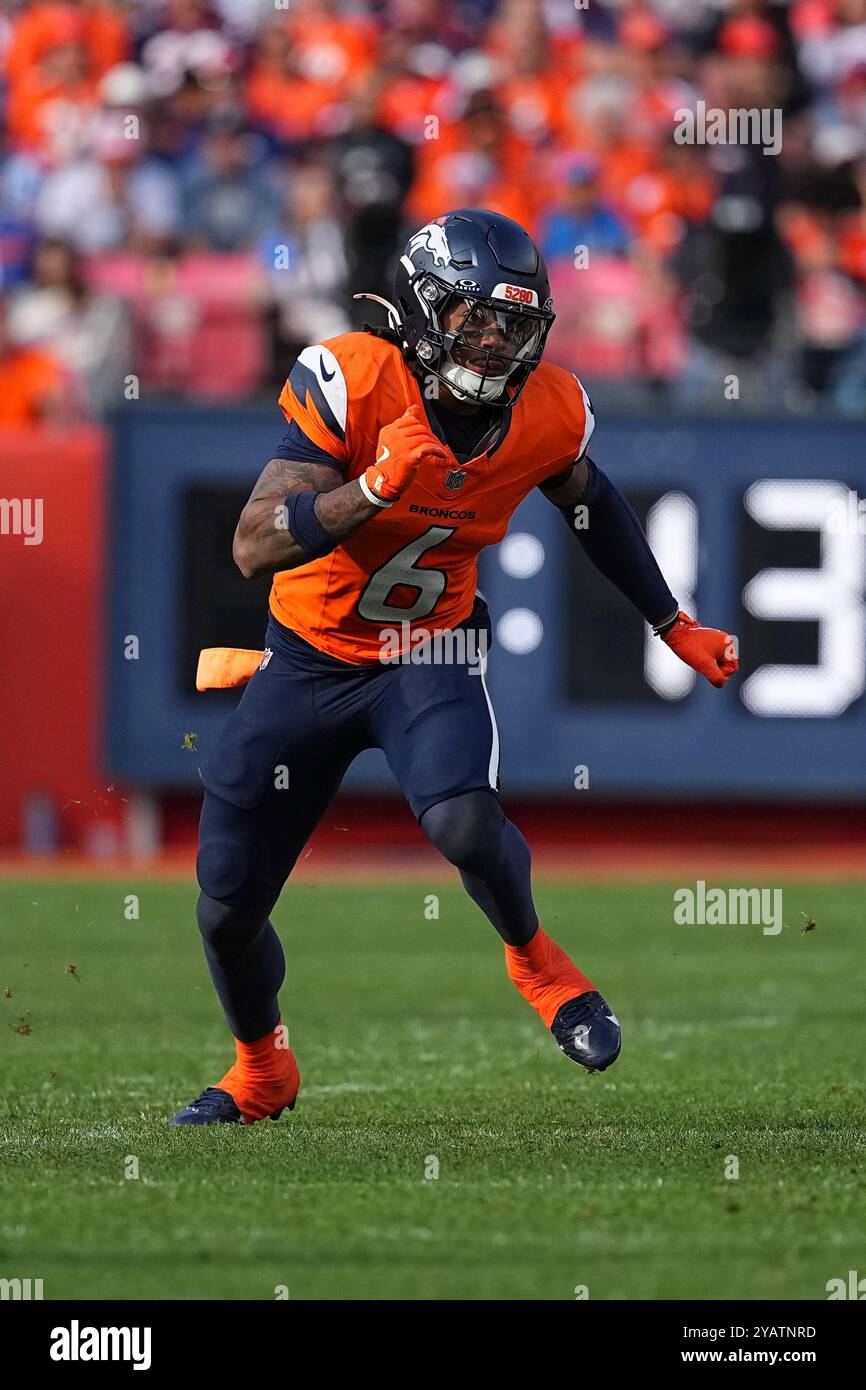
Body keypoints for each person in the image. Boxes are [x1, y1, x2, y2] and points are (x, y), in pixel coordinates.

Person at [172, 208, 738, 1126]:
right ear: (424, 307)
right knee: (226, 907)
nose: (497, 342)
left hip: (427, 648)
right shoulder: (353, 378)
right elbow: (250, 545)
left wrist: (672, 623)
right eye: (478, 319)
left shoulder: (546, 408)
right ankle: (261, 1069)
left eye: (516, 324)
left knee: (467, 822)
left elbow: (592, 509)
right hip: (307, 660)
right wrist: (371, 489)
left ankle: (538, 965)